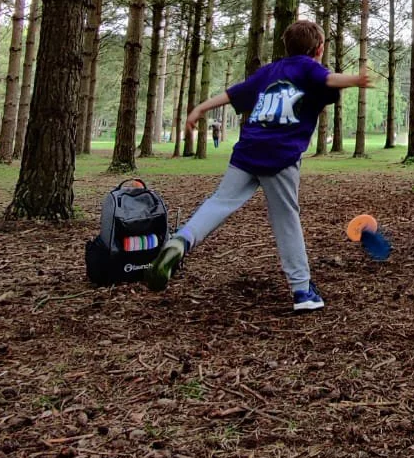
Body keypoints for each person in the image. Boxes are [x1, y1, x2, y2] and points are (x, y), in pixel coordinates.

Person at [143, 19, 369, 312]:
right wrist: (354, 79)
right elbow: (329, 80)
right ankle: (302, 291)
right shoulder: (308, 66)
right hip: (280, 155)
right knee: (285, 218)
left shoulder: (268, 72)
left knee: (219, 202)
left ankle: (181, 242)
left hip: (248, 150)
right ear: (319, 49)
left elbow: (231, 94)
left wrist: (199, 108)